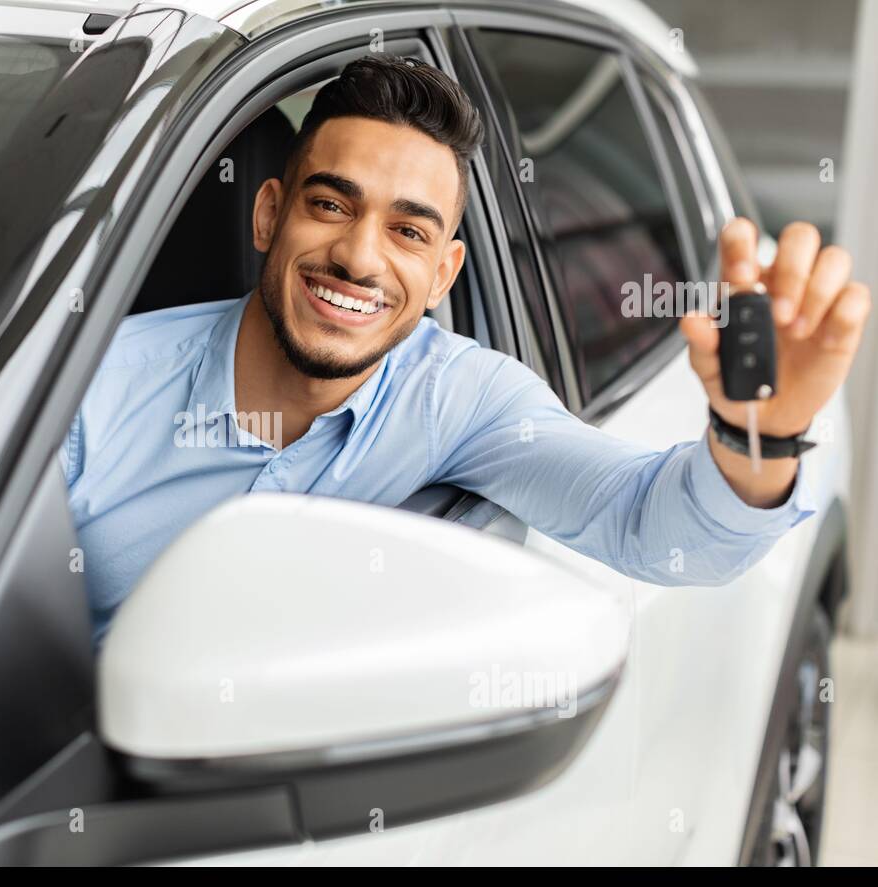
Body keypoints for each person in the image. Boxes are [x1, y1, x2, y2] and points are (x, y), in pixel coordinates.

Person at [58, 54, 871, 644]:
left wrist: (752, 434)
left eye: (408, 230)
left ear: (445, 272)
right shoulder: (83, 394)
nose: (361, 258)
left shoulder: (462, 401)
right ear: (268, 215)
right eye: (331, 204)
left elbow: (651, 528)